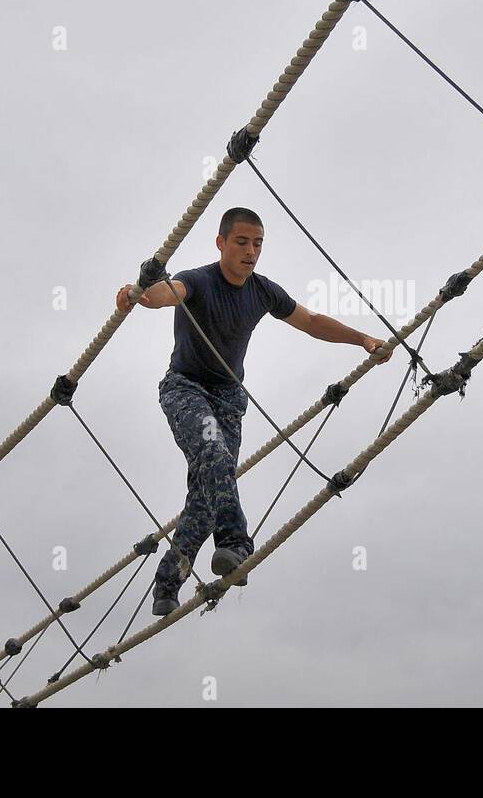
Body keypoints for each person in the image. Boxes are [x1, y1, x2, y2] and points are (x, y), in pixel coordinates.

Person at [116, 207, 392, 616]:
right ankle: (234, 542)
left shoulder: (263, 291)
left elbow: (312, 321)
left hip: (229, 399)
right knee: (215, 455)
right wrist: (137, 294)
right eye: (242, 242)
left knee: (208, 496)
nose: (251, 251)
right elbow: (166, 293)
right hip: (185, 390)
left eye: (258, 243)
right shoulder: (198, 280)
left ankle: (168, 580)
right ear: (221, 243)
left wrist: (363, 339)